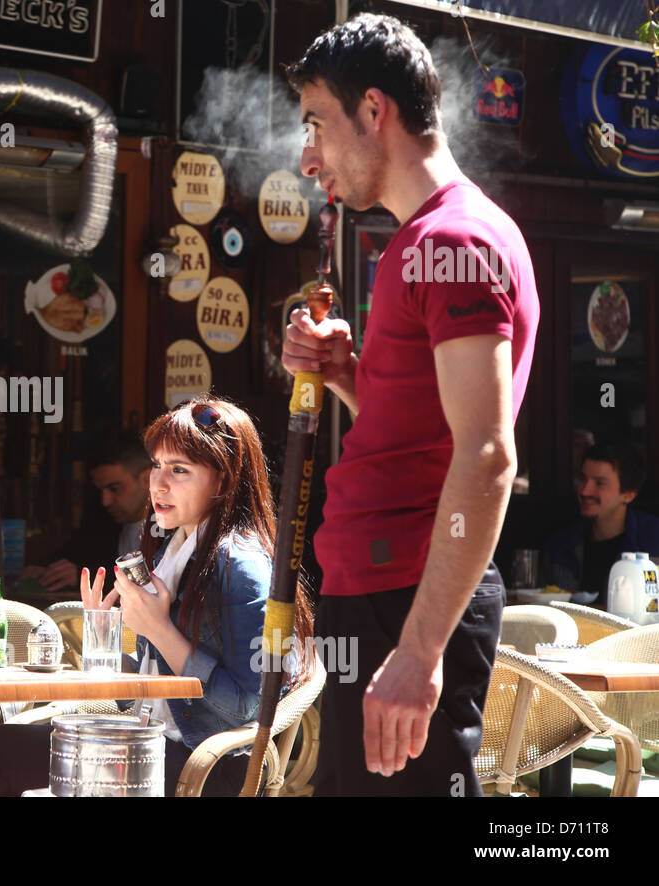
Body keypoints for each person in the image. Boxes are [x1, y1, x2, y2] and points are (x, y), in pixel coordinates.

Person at [283, 13, 539, 795]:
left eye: (316, 124)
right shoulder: (429, 240)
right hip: (380, 598)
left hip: (408, 603)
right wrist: (346, 376)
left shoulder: (452, 244)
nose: (307, 156)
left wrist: (420, 652)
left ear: (372, 110)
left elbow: (488, 455)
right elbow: (425, 437)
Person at [0, 396, 313, 797]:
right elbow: (140, 692)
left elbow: (247, 707)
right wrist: (102, 637)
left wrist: (157, 628)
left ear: (222, 480)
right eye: (156, 465)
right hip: (153, 742)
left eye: (180, 470)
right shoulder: (178, 550)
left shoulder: (239, 566)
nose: (159, 483)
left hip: (204, 769)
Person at [18, 432, 153, 593]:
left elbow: (150, 585)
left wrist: (88, 576)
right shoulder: (103, 524)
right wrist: (43, 570)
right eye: (100, 491)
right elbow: (73, 553)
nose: (105, 501)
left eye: (114, 489)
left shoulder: (168, 530)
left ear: (147, 479)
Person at [543, 441, 659, 606]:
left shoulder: (653, 541)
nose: (584, 491)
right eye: (583, 479)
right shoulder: (560, 546)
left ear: (628, 495)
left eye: (599, 483)